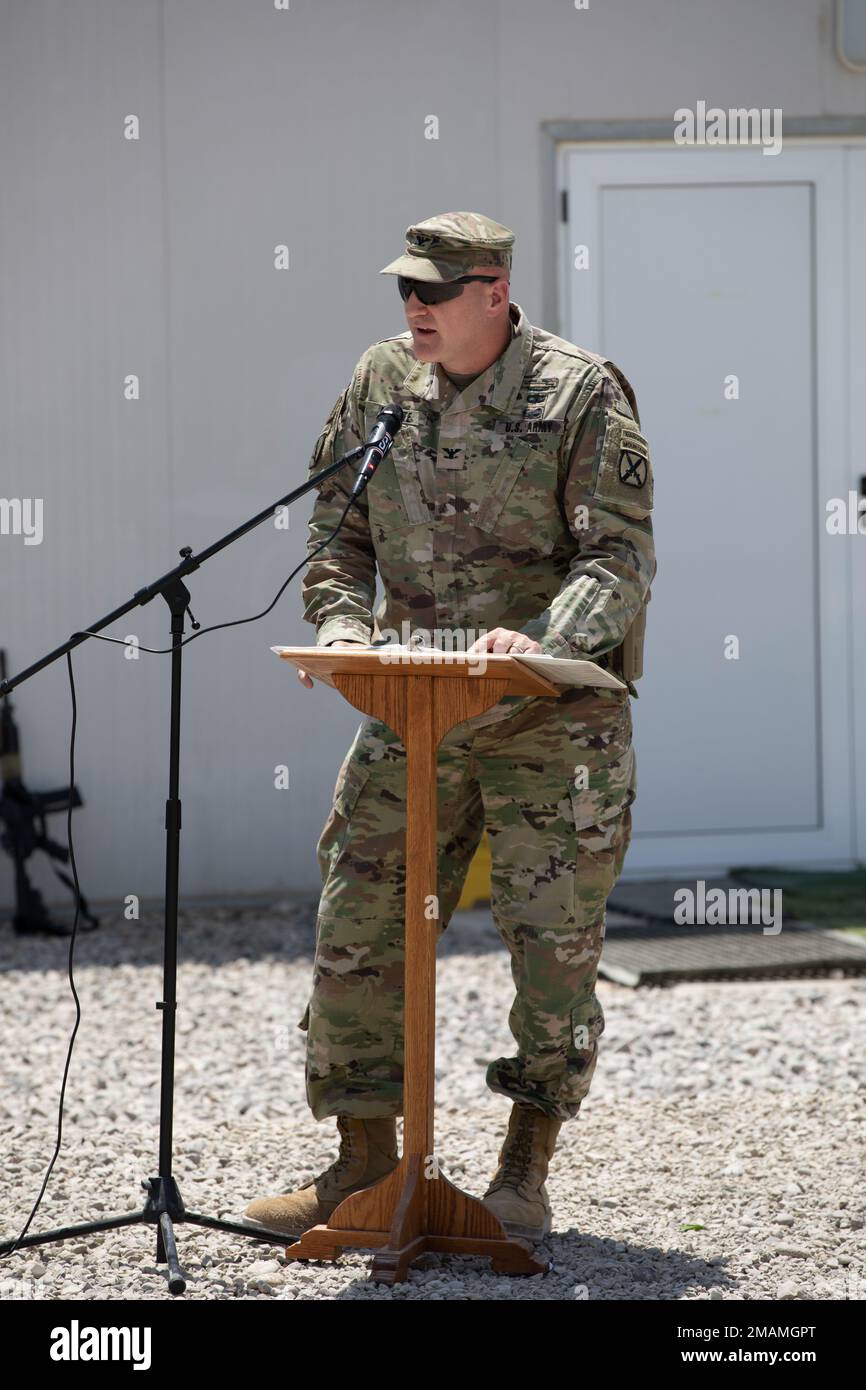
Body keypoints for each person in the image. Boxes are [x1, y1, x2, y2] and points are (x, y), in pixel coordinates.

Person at [243, 211, 656, 1245]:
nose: (412, 309)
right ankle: (360, 1164)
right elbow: (334, 537)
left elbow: (617, 558)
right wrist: (344, 636)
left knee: (550, 945)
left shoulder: (578, 390)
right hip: (414, 701)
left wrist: (542, 638)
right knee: (357, 919)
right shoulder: (380, 384)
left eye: (432, 290)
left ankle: (521, 1172)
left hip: (545, 714)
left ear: (494, 291)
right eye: (402, 291)